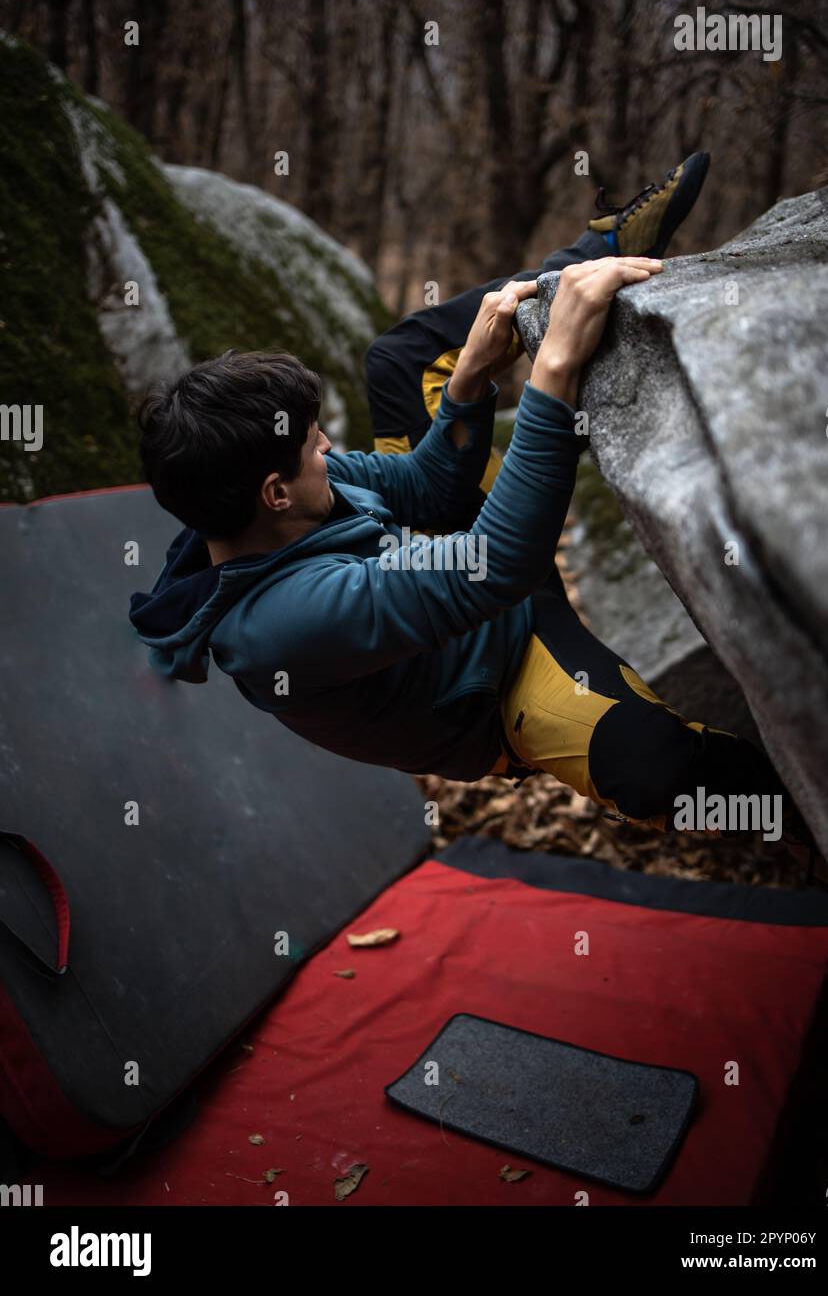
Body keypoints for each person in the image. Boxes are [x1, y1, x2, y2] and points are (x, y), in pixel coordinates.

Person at [129, 152, 791, 841]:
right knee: (654, 772)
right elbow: (496, 564)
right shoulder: (282, 627)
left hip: (473, 569)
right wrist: (555, 366)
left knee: (403, 360)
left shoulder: (280, 503)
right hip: (507, 679)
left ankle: (588, 259)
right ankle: (807, 819)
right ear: (273, 493)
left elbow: (427, 487)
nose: (328, 445)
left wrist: (471, 383)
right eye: (311, 445)